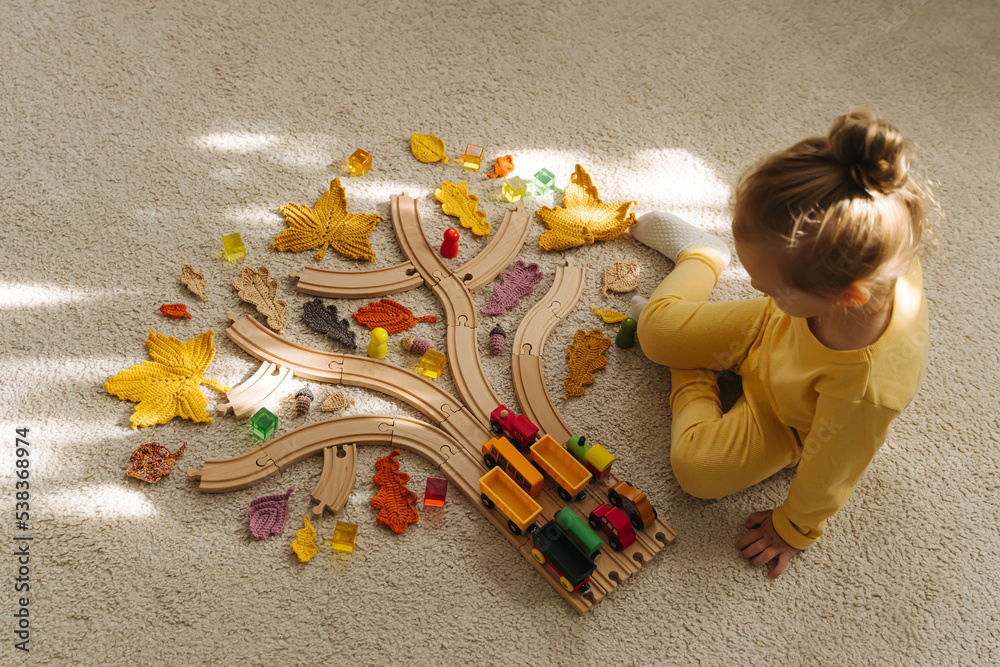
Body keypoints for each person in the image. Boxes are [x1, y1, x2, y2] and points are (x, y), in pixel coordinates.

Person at [630, 109, 933, 578]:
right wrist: (777, 304)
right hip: (768, 331)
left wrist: (792, 527)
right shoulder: (855, 258)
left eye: (769, 286)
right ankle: (704, 254)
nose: (754, 287)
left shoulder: (866, 389)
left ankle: (695, 370)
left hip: (788, 419)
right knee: (655, 334)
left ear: (846, 297)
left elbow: (833, 468)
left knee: (697, 471)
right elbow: (784, 286)